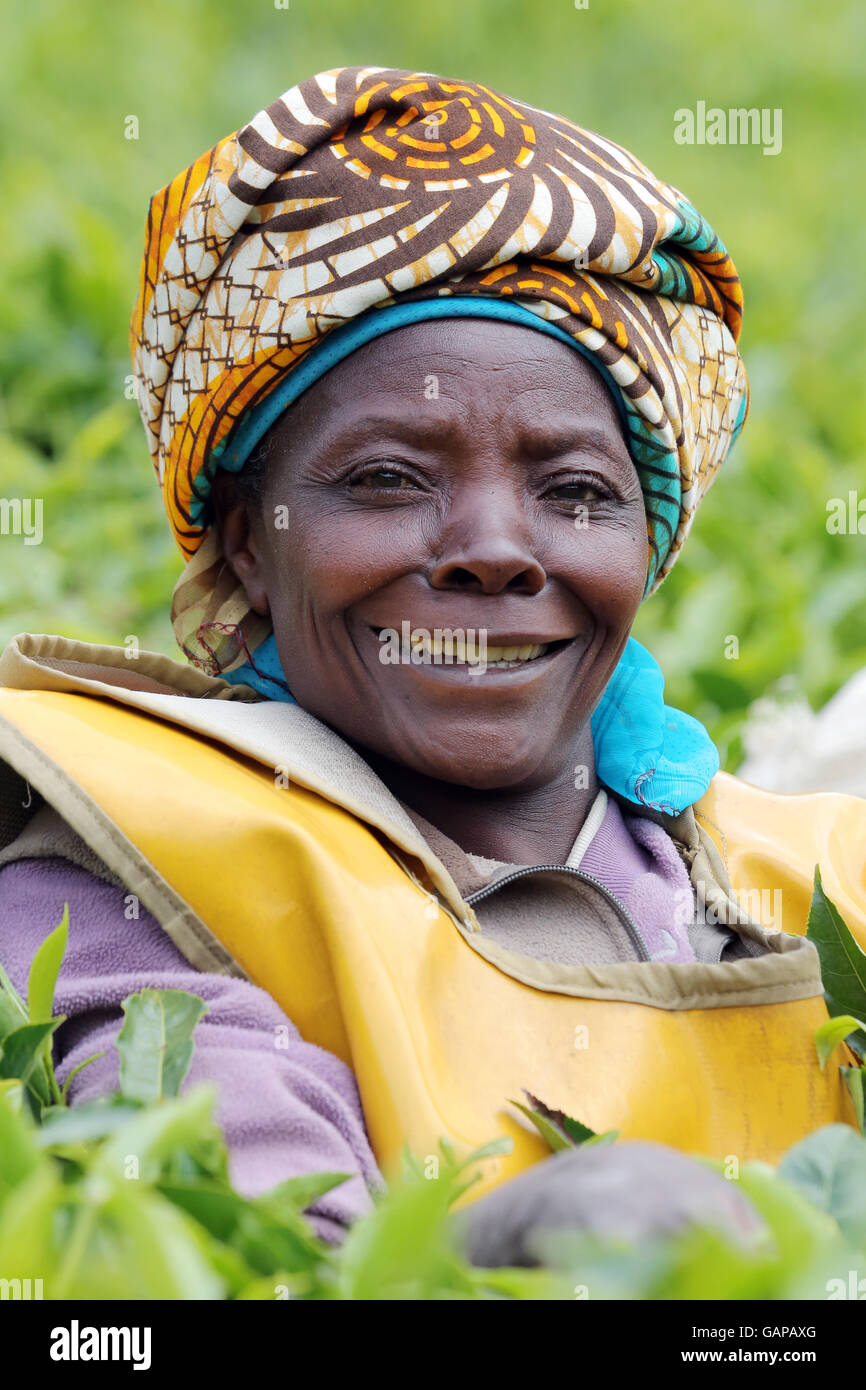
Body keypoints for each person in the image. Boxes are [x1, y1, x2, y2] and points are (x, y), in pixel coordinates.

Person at [1, 66, 863, 1263]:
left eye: (574, 493)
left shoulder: (814, 877)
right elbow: (250, 1240)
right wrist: (499, 1246)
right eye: (388, 480)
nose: (495, 553)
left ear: (644, 547)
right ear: (251, 542)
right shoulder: (132, 865)